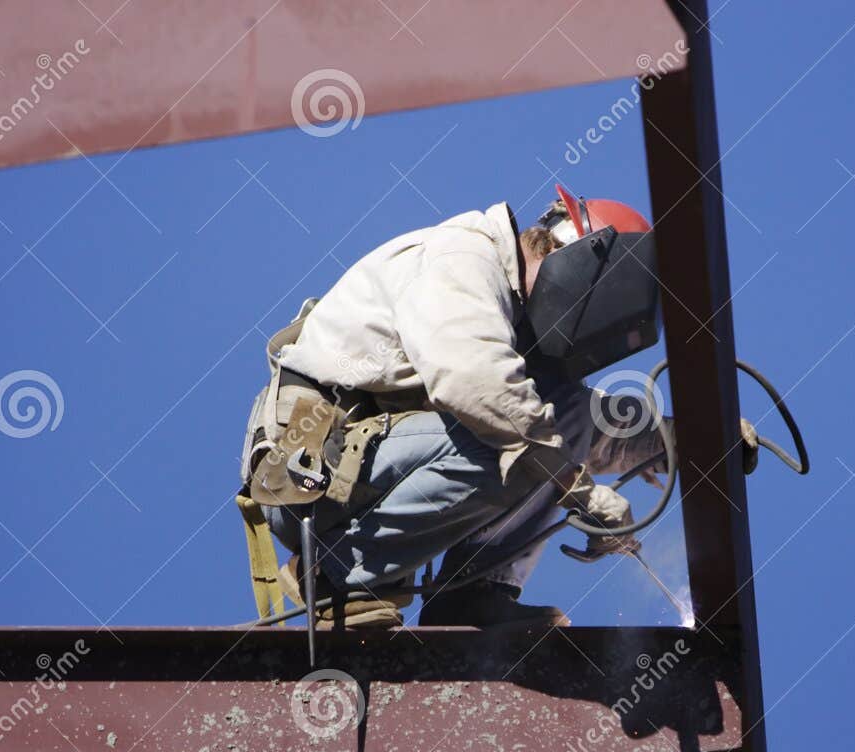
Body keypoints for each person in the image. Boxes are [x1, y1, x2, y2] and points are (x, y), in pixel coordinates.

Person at [237, 185, 669, 630]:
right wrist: (579, 489)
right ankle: (337, 578)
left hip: (363, 466)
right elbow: (476, 384)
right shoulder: (464, 259)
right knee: (520, 444)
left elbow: (578, 426)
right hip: (311, 475)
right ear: (575, 258)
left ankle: (472, 599)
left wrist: (684, 443)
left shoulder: (510, 320)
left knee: (554, 423)